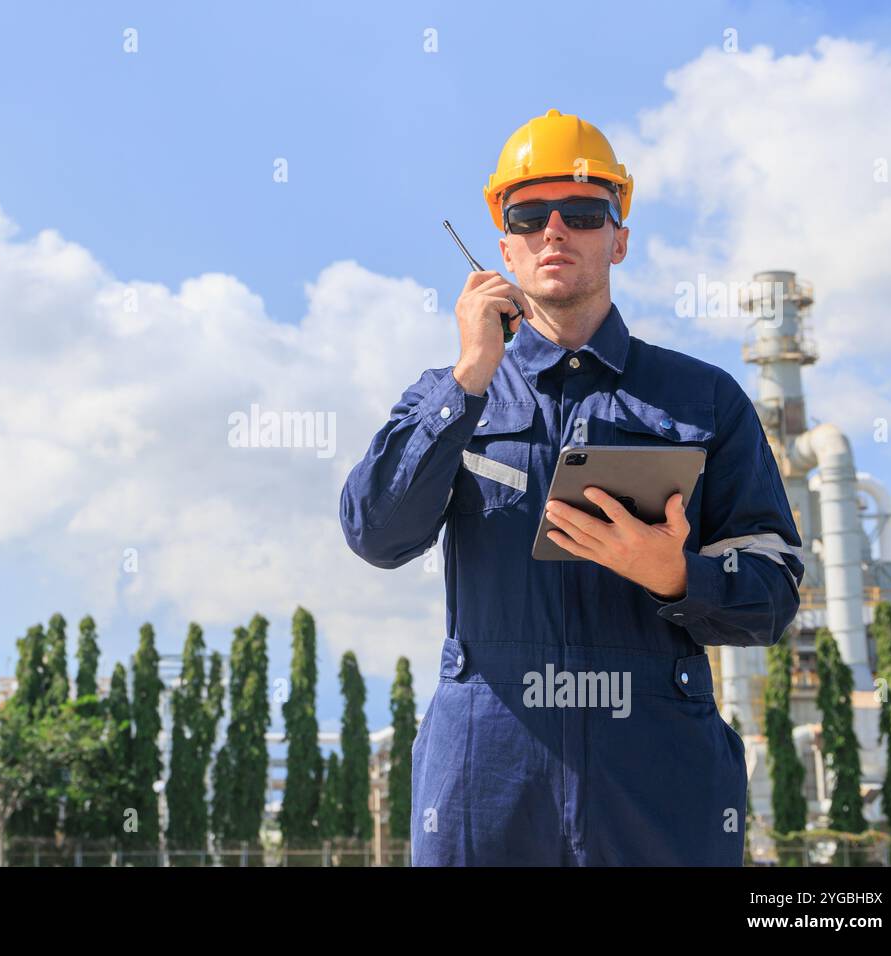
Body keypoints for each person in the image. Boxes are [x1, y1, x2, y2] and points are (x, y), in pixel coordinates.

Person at [339, 108, 804, 866]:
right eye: (530, 214)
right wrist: (468, 379)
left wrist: (677, 575)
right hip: (485, 777)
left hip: (658, 782)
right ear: (503, 248)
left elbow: (774, 591)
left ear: (618, 238)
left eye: (583, 212)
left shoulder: (703, 400)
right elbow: (376, 534)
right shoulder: (450, 395)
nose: (555, 230)